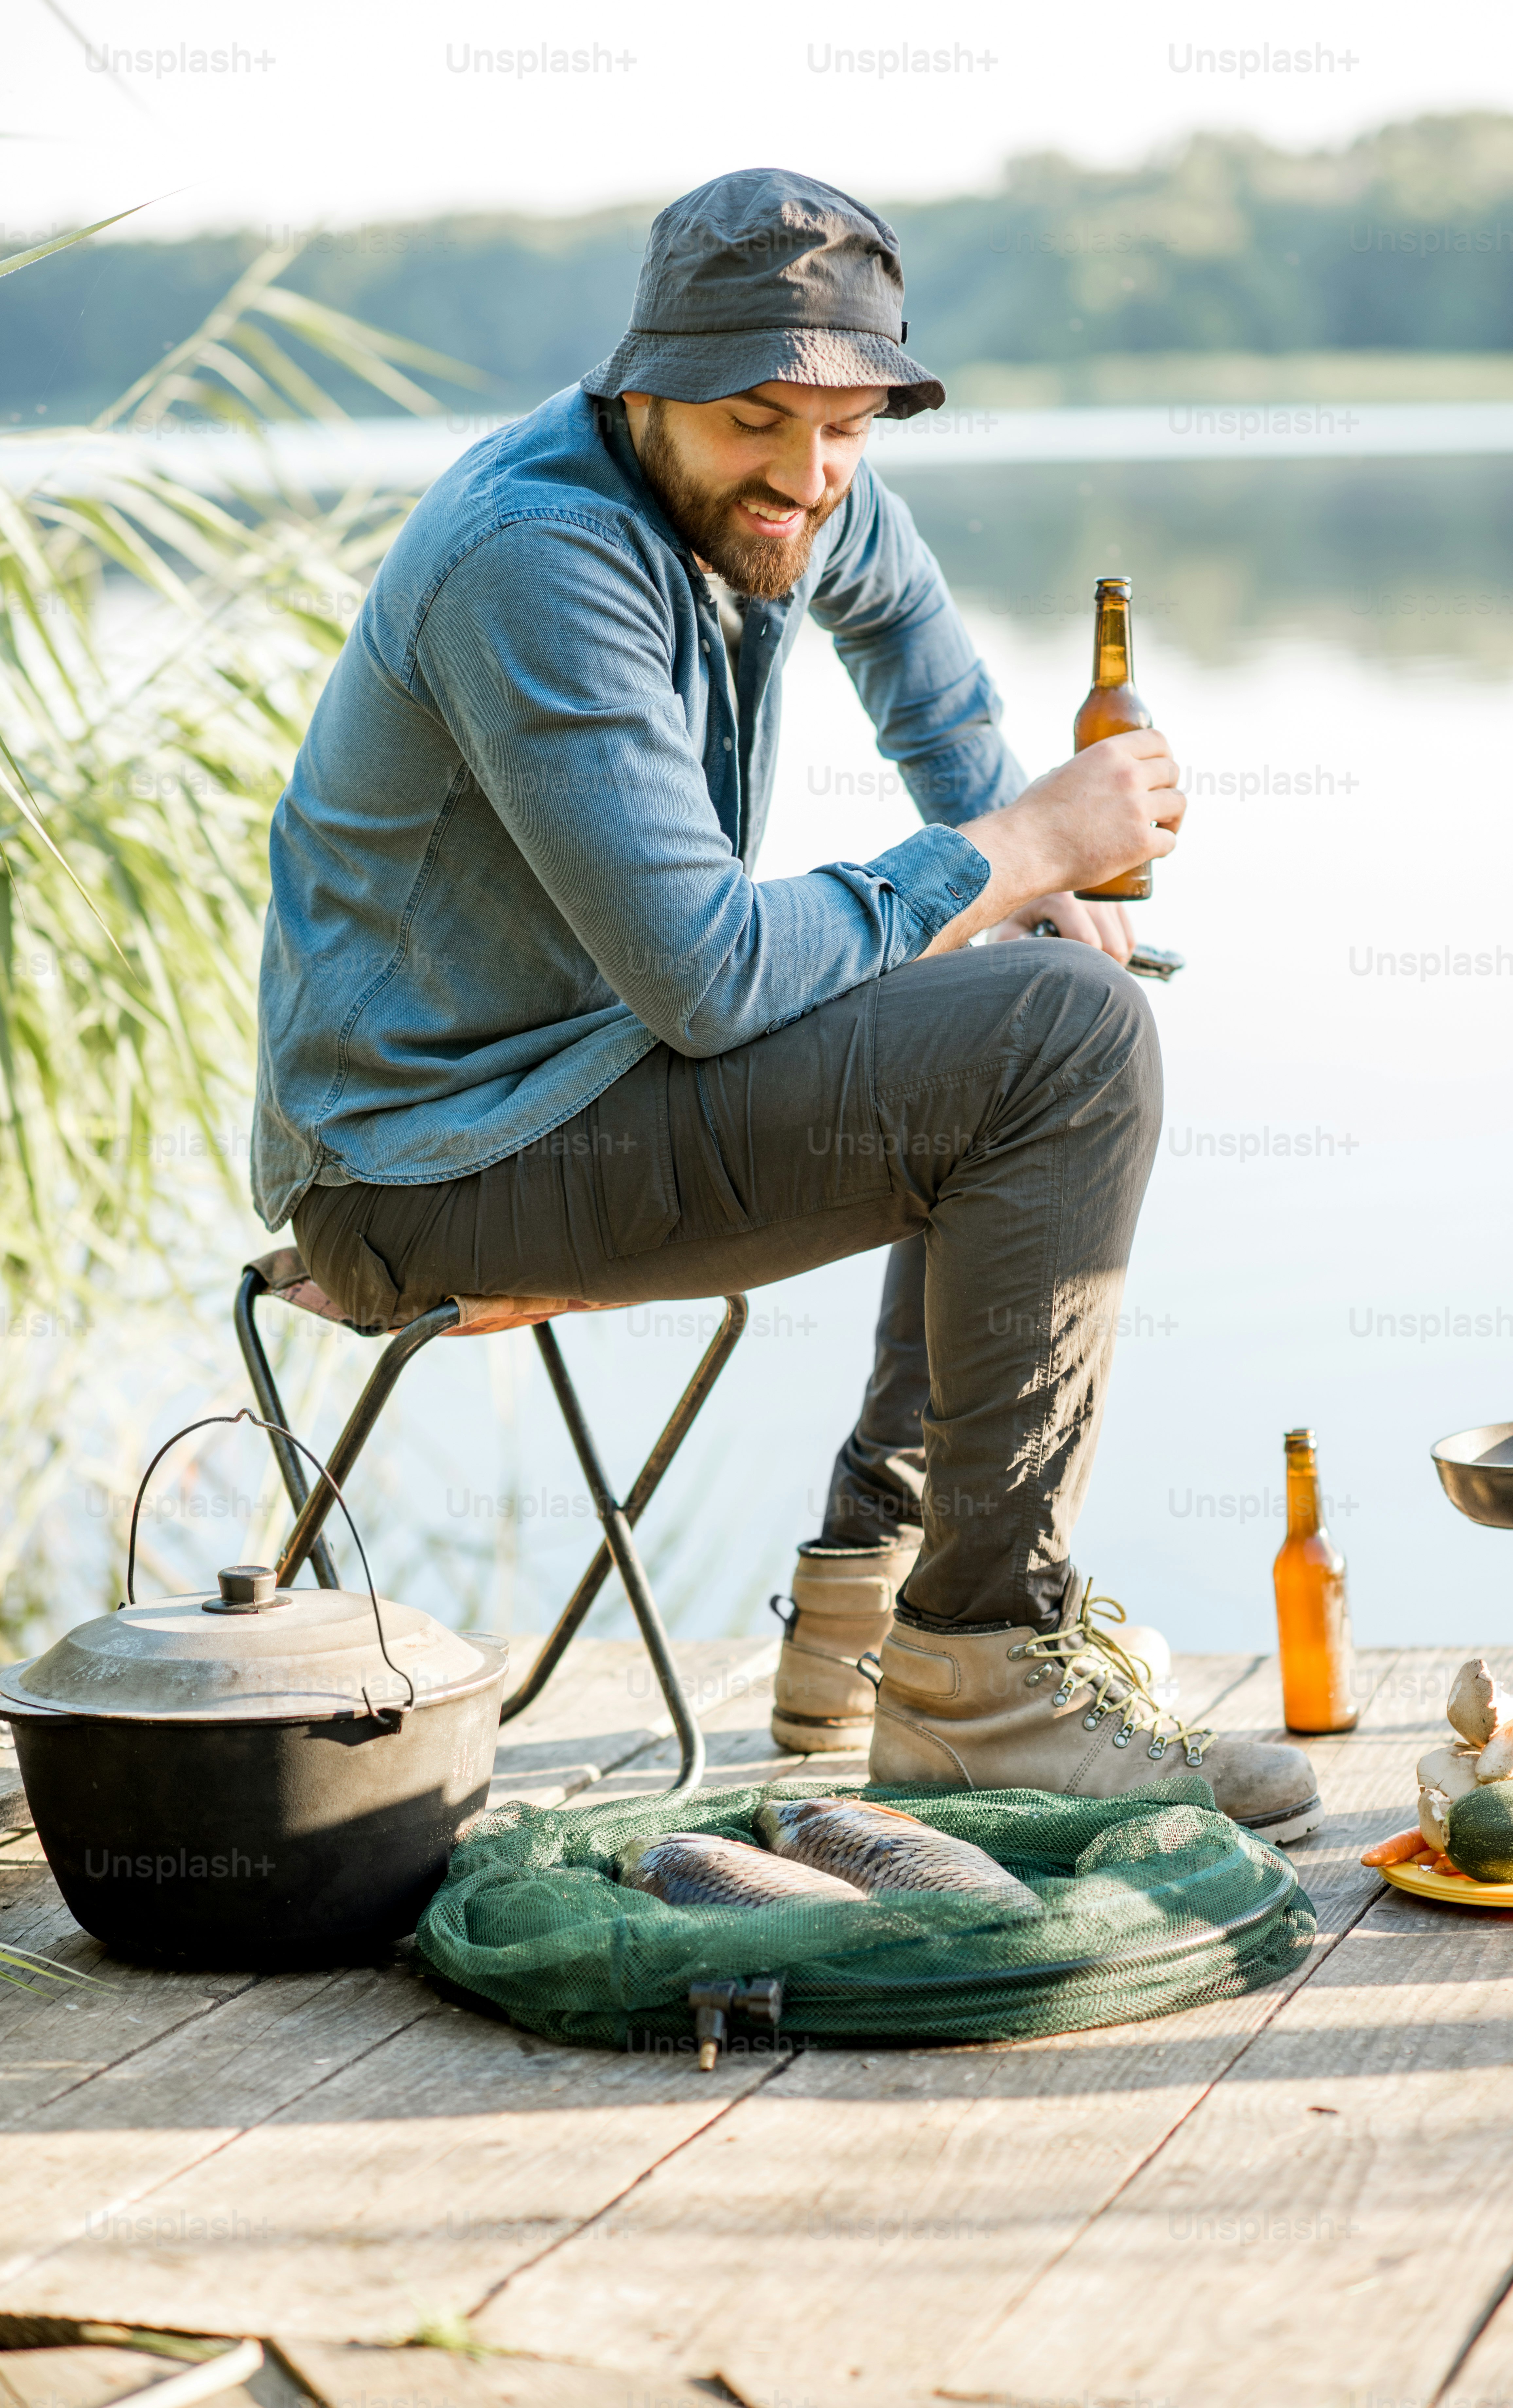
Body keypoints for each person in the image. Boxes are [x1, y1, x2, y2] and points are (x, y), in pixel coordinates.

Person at [252, 168, 1321, 1841]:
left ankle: (864, 1629)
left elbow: (936, 685)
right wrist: (1021, 842)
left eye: (848, 431)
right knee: (1063, 1043)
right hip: (426, 1174)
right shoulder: (539, 561)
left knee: (1029, 1004)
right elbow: (708, 979)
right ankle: (992, 1677)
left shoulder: (794, 491)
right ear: (646, 378)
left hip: (574, 1093)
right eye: (761, 420)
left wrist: (1026, 893)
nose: (808, 477)